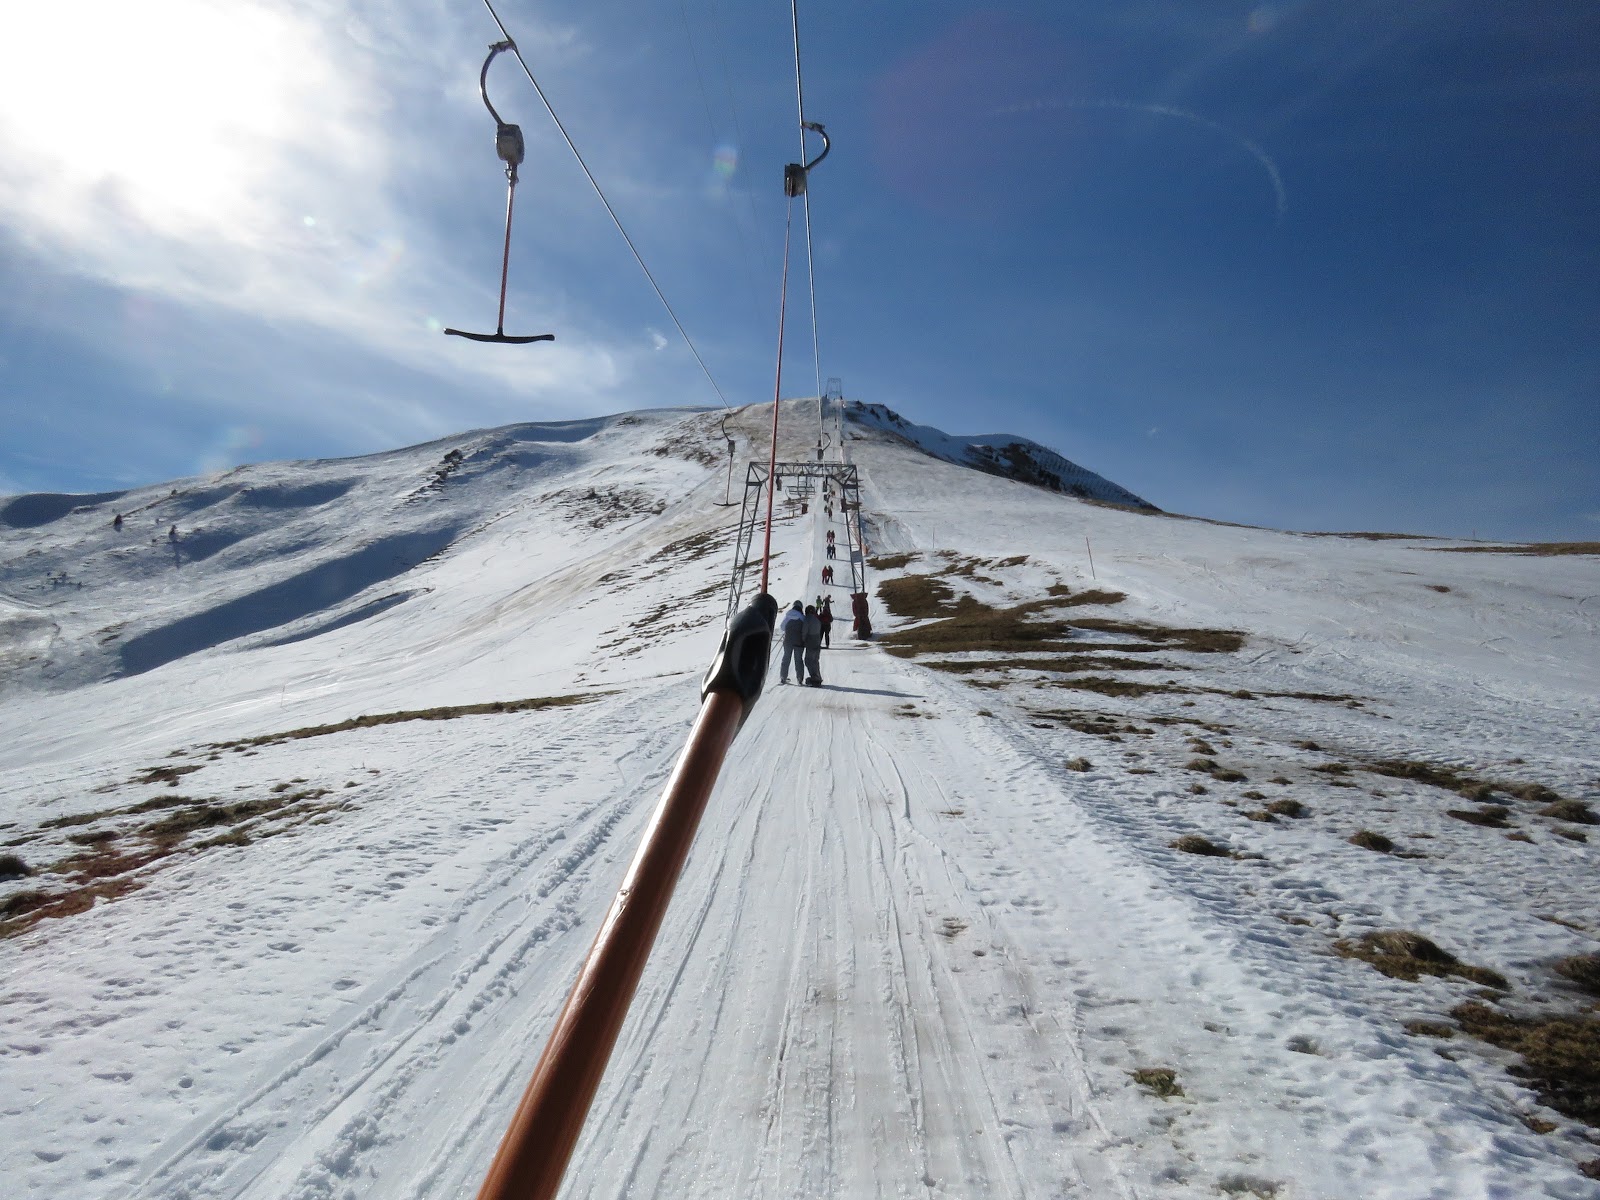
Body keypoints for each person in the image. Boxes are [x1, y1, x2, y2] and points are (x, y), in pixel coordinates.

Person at [778, 600, 806, 684]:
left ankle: (783, 677)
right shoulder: (802, 617)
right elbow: (805, 629)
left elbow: (782, 627)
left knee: (786, 658)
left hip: (788, 641)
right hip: (799, 642)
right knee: (798, 660)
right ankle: (800, 678)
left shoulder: (788, 616)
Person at [802, 604, 824, 687]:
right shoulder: (817, 619)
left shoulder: (807, 619)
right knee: (815, 660)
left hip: (811, 641)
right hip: (817, 641)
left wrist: (803, 640)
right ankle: (818, 676)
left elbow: (805, 631)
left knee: (808, 660)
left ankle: (814, 678)